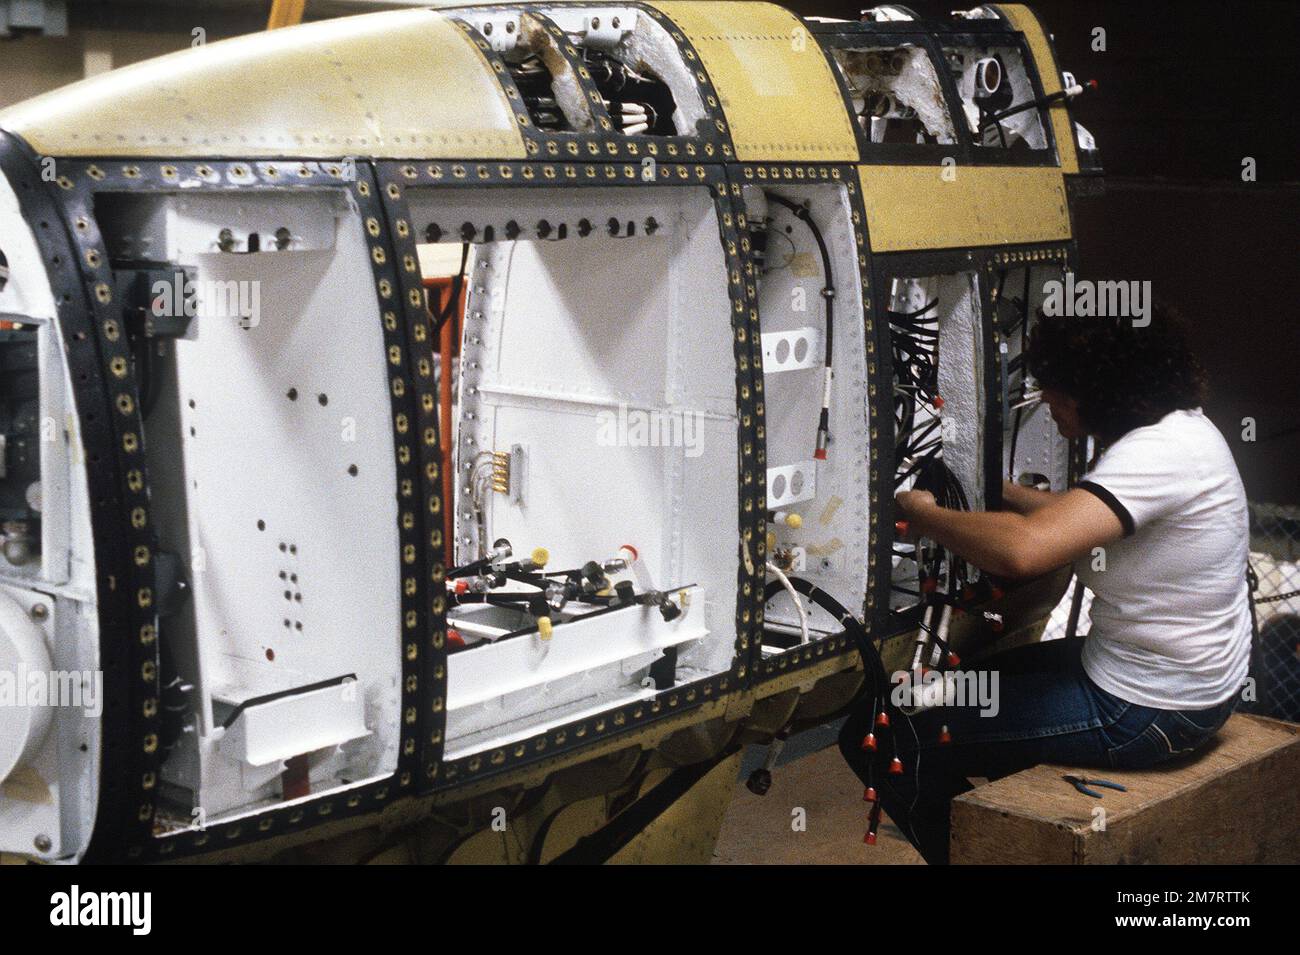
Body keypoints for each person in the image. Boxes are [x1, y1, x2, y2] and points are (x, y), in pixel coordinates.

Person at [839, 304, 1251, 864]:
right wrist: (996, 489)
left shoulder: (1158, 453)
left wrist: (919, 510)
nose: (1047, 400)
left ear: (1095, 389)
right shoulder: (1181, 430)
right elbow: (1077, 516)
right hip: (1160, 681)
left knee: (883, 728)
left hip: (1148, 708)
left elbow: (1023, 550)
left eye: (1054, 387)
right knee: (934, 703)